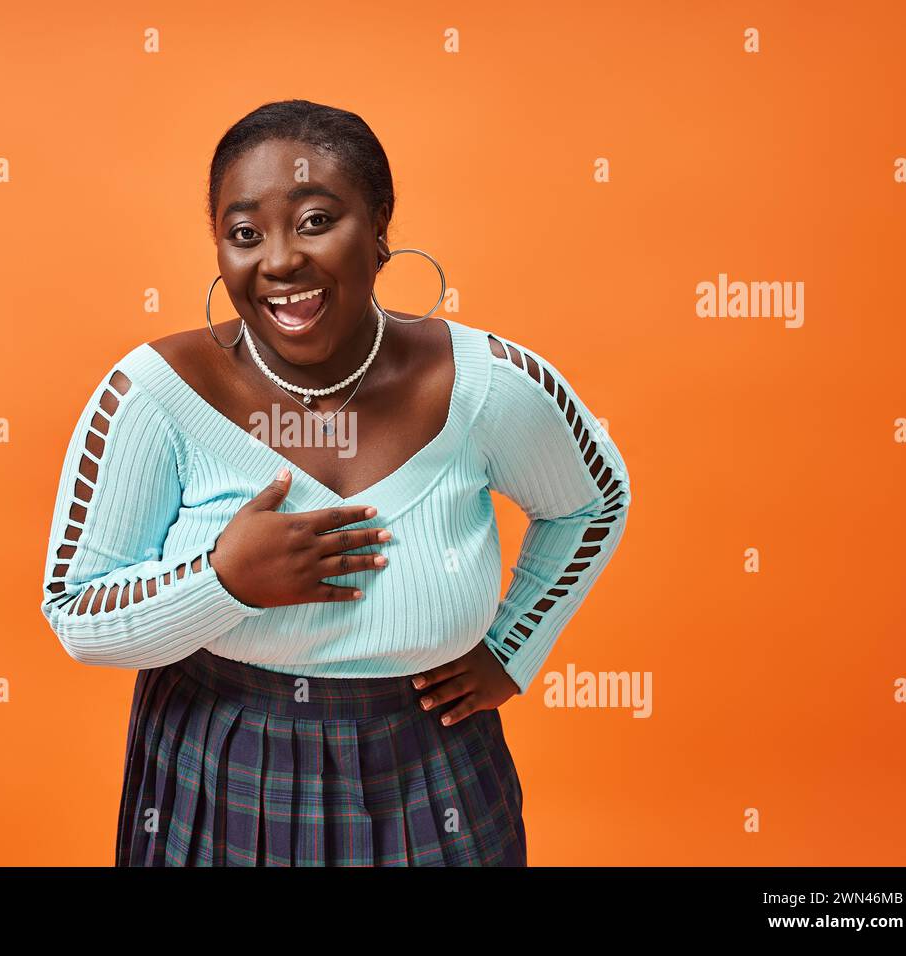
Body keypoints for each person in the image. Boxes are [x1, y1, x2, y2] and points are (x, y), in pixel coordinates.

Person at [40, 99, 631, 866]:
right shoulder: (156, 393)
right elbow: (76, 609)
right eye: (244, 234)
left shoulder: (485, 383)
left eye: (316, 221)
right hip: (219, 762)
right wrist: (224, 580)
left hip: (433, 764)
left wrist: (513, 647)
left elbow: (593, 500)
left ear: (380, 227)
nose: (280, 260)